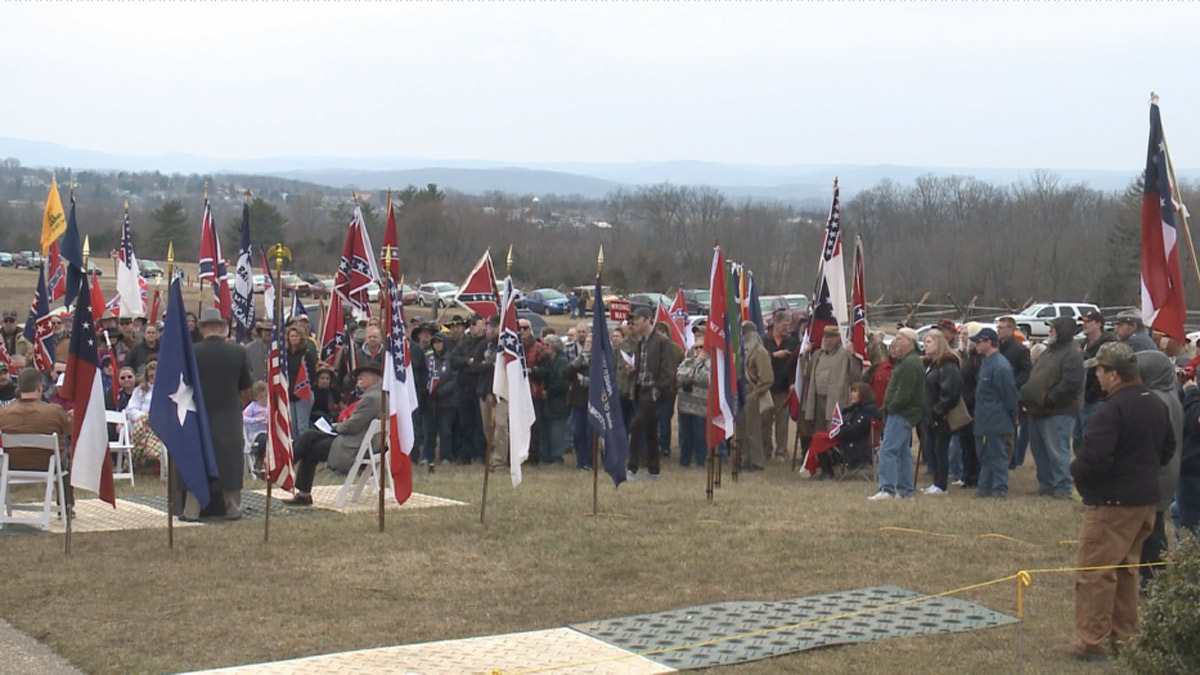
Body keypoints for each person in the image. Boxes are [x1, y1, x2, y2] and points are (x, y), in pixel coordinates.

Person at [1062, 342, 1174, 661]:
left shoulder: (1112, 409)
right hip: (1145, 502)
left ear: (1114, 374)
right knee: (1126, 570)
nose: (1096, 375)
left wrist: (1078, 475)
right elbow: (1167, 449)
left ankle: (1091, 642)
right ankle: (1124, 637)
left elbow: (1093, 458)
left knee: (1095, 572)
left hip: (1112, 503)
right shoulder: (1155, 402)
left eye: (1099, 370)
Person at [180, 308, 253, 521]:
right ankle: (233, 509)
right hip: (229, 417)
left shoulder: (191, 352)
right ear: (222, 329)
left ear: (203, 329)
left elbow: (184, 384)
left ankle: (191, 511)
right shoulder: (238, 352)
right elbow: (246, 384)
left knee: (197, 461)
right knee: (230, 463)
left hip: (198, 415)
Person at [285, 363, 384, 506]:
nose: (359, 379)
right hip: (359, 441)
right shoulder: (380, 395)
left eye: (363, 376)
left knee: (311, 449)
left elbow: (353, 426)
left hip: (353, 445)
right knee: (309, 435)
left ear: (374, 379)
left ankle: (294, 481)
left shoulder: (371, 398)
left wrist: (335, 427)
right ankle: (287, 467)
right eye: (359, 376)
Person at [1134, 350, 1183, 588]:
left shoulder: (1156, 400)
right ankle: (1153, 576)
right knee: (1154, 524)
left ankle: (1153, 578)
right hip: (1166, 469)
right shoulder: (1169, 396)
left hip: (1158, 471)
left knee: (1152, 528)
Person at [1021, 316, 1085, 498]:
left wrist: (1049, 399)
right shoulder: (1049, 352)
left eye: (1053, 328)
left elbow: (1071, 383)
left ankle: (1062, 488)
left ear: (1062, 331)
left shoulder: (1072, 355)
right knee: (1039, 452)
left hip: (1058, 412)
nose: (1050, 331)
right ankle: (1046, 486)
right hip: (1037, 411)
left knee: (1057, 452)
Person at [870, 328, 923, 500]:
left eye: (899, 338)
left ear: (910, 341)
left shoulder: (910, 363)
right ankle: (906, 490)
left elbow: (905, 392)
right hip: (903, 412)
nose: (896, 342)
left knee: (888, 450)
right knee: (902, 452)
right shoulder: (906, 361)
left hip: (901, 412)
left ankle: (886, 488)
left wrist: (890, 406)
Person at [625, 307, 676, 479]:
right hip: (641, 390)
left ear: (648, 319)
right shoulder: (641, 342)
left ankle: (631, 468)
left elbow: (668, 371)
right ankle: (654, 470)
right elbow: (643, 368)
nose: (634, 322)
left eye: (637, 319)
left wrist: (657, 389)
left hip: (653, 392)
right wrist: (633, 370)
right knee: (650, 430)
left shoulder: (662, 341)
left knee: (635, 426)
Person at [970, 327, 1020, 498]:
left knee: (998, 456)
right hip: (983, 419)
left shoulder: (1001, 366)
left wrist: (1013, 415)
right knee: (984, 456)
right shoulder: (986, 362)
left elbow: (1009, 394)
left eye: (979, 342)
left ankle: (999, 490)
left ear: (989, 342)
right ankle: (984, 488)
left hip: (997, 420)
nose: (976, 345)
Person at [920, 330, 962, 495]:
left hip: (941, 415)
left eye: (929, 342)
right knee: (930, 448)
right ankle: (936, 480)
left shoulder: (948, 364)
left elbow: (951, 391)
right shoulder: (931, 365)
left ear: (938, 343)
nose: (926, 345)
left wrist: (938, 410)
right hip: (929, 414)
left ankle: (942, 484)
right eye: (925, 342)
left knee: (940, 449)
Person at [804, 325, 862, 436]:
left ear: (837, 339)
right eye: (824, 337)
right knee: (818, 433)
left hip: (836, 401)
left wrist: (853, 355)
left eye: (829, 337)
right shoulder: (817, 355)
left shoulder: (845, 355)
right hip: (817, 401)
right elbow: (805, 372)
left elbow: (855, 376)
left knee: (833, 432)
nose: (825, 340)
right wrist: (805, 355)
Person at [1076, 310, 1115, 450]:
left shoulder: (1108, 345)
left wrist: (1091, 395)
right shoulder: (1083, 344)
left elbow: (1107, 373)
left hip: (1097, 401)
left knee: (1092, 440)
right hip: (1080, 400)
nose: (1084, 324)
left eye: (1088, 321)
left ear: (1098, 324)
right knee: (1077, 439)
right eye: (1083, 321)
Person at [997, 315, 1033, 468]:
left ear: (1011, 329)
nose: (998, 330)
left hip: (1012, 394)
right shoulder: (996, 347)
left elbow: (1026, 371)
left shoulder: (1019, 349)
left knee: (1011, 428)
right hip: (997, 393)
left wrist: (1013, 385)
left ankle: (1013, 459)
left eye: (1001, 328)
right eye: (998, 327)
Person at [450, 315, 486, 464]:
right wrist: (467, 361)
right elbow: (453, 360)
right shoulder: (464, 342)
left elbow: (486, 363)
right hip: (464, 387)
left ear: (482, 325)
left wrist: (474, 364)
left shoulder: (486, 343)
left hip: (480, 387)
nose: (471, 327)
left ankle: (480, 454)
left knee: (480, 423)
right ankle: (465, 455)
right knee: (465, 423)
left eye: (474, 324)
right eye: (469, 324)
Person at [763, 310, 798, 461]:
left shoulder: (792, 342)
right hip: (766, 388)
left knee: (782, 423)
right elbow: (759, 359)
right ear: (775, 324)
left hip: (783, 387)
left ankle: (781, 452)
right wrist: (772, 356)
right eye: (784, 325)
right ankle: (766, 450)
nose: (786, 328)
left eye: (788, 325)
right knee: (765, 421)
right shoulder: (764, 340)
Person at [676, 325, 711, 469]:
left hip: (700, 407)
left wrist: (692, 372)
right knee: (685, 436)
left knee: (699, 436)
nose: (698, 350)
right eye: (696, 347)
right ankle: (684, 461)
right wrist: (694, 368)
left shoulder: (710, 364)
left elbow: (705, 378)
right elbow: (679, 376)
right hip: (684, 406)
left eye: (701, 347)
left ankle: (700, 462)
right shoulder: (686, 361)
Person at [530, 334, 569, 465]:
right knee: (545, 430)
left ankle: (557, 458)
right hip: (545, 402)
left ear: (555, 347)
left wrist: (549, 392)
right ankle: (545, 457)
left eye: (547, 345)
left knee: (557, 431)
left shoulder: (562, 361)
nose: (544, 347)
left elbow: (563, 382)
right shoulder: (545, 361)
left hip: (558, 402)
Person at [740, 320, 773, 473]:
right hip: (742, 394)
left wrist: (756, 393)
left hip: (753, 395)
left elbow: (767, 378)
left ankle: (757, 462)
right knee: (743, 430)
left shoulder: (760, 352)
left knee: (754, 431)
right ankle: (745, 459)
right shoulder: (743, 352)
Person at [423, 333, 458, 465]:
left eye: (440, 342)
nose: (437, 345)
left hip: (447, 402)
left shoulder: (450, 359)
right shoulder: (428, 358)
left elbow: (454, 380)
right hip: (429, 402)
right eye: (435, 342)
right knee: (429, 431)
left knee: (445, 431)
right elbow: (423, 376)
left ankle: (446, 456)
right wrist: (427, 391)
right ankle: (427, 456)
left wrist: (440, 392)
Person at [124, 359, 166, 469]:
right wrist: (145, 417)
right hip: (142, 422)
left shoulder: (167, 389)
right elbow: (131, 409)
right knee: (146, 426)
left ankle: (152, 456)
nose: (153, 377)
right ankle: (149, 454)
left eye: (155, 374)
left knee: (156, 428)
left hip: (160, 422)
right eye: (151, 375)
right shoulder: (140, 390)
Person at [837, 382, 880, 473]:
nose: (852, 394)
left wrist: (837, 431)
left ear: (863, 394)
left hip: (856, 446)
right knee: (819, 437)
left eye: (855, 391)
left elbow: (855, 430)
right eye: (852, 391)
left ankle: (827, 470)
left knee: (820, 439)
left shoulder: (866, 412)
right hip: (851, 439)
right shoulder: (855, 409)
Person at [564, 332, 592, 470]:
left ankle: (589, 462)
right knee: (578, 432)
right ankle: (580, 461)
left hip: (593, 402)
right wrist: (578, 361)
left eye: (591, 342)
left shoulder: (601, 360)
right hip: (578, 400)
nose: (588, 345)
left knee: (590, 433)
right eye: (587, 342)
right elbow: (567, 374)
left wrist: (587, 381)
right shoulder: (579, 359)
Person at [285, 325, 316, 434]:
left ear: (301, 338)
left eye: (296, 336)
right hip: (289, 394)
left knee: (302, 426)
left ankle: (304, 444)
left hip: (303, 393)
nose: (294, 338)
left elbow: (312, 373)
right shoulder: (285, 355)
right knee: (292, 426)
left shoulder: (306, 354)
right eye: (292, 336)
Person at [242, 381, 268, 476]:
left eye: (266, 396)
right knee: (264, 440)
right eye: (261, 397)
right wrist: (256, 420)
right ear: (256, 398)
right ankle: (259, 459)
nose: (264, 399)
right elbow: (243, 417)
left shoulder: (270, 406)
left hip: (269, 431)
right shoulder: (253, 407)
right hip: (257, 433)